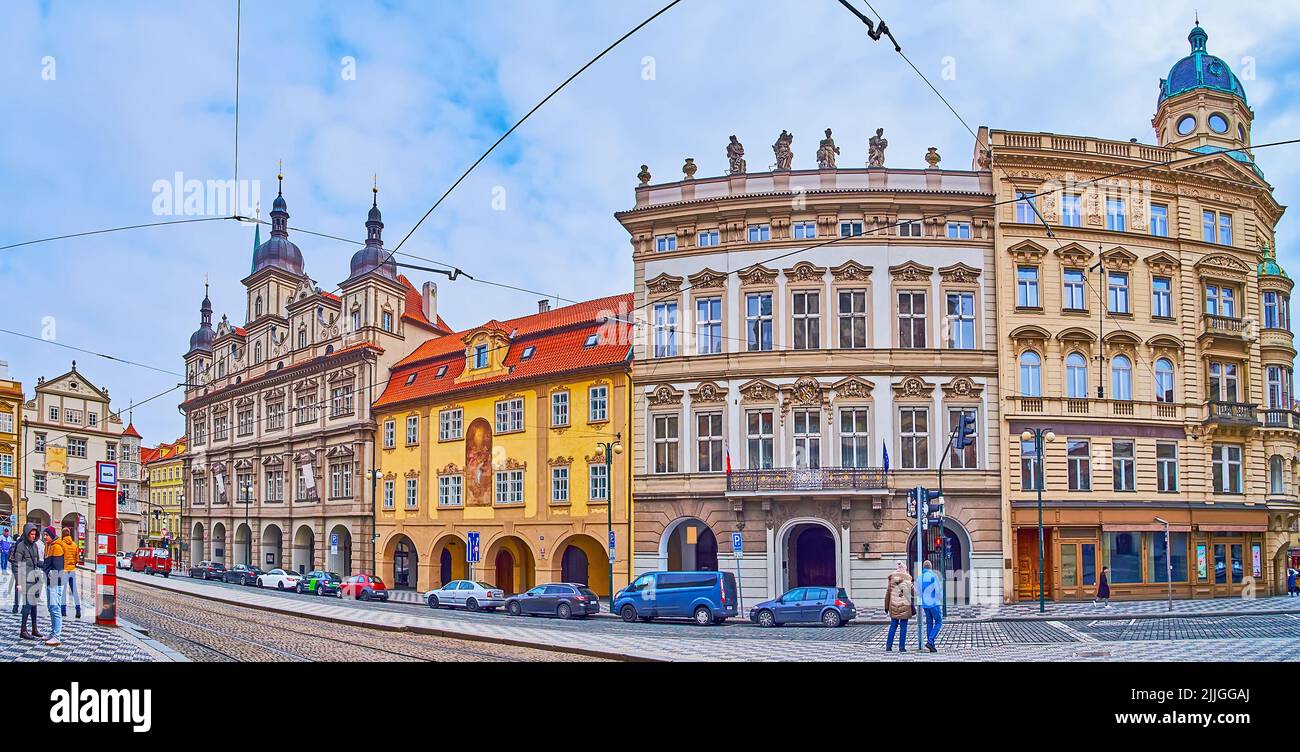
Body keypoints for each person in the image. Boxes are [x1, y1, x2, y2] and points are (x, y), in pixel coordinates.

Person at [12, 523, 42, 639]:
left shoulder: (34, 546)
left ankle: (34, 629)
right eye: (31, 534)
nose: (34, 536)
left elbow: (37, 562)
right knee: (27, 605)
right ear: (27, 534)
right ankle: (23, 630)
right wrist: (19, 582)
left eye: (35, 534)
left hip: (34, 579)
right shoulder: (21, 546)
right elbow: (17, 565)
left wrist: (48, 564)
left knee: (34, 605)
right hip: (25, 580)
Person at [41, 527, 65, 646]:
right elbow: (48, 564)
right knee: (51, 608)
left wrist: (51, 579)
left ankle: (57, 636)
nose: (44, 536)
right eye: (44, 534)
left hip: (55, 583)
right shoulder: (49, 545)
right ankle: (53, 633)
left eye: (46, 534)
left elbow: (58, 568)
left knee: (55, 609)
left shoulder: (56, 547)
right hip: (50, 582)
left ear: (51, 535)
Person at [884, 561, 914, 652]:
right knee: (903, 626)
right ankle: (902, 647)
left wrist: (886, 606)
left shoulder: (892, 579)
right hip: (904, 606)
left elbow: (888, 594)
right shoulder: (908, 579)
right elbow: (914, 592)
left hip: (893, 606)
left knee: (893, 625)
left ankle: (888, 646)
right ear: (904, 570)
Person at [919, 559, 943, 653]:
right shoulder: (933, 576)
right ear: (931, 567)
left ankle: (931, 645)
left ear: (923, 567)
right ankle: (930, 641)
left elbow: (919, 592)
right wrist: (940, 597)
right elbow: (937, 590)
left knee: (929, 622)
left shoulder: (920, 577)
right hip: (934, 603)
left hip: (925, 604)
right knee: (938, 622)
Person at [59, 527, 81, 619]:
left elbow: (59, 558)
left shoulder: (61, 544)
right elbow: (77, 559)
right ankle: (78, 610)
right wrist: (73, 564)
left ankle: (63, 611)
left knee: (63, 591)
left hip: (64, 570)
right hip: (72, 570)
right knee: (74, 591)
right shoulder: (74, 545)